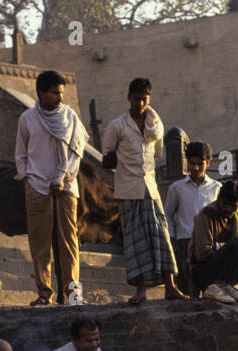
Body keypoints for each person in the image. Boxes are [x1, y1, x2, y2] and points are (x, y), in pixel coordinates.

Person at [100, 78, 185, 304]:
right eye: (136, 98)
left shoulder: (155, 126)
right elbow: (106, 161)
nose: (140, 103)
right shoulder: (117, 126)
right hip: (127, 191)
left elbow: (156, 155)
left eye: (144, 99)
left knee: (161, 236)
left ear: (149, 98)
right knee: (135, 242)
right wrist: (121, 157)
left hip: (150, 189)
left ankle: (170, 286)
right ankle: (140, 291)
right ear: (129, 98)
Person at [16, 69, 87, 305]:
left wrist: (62, 177)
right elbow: (21, 153)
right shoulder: (27, 119)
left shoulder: (71, 118)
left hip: (66, 188)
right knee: (40, 243)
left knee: (69, 244)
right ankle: (44, 294)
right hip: (37, 186)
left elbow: (77, 152)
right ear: (41, 93)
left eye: (61, 93)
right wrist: (29, 178)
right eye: (55, 93)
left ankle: (73, 295)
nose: (60, 98)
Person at [165, 141, 222, 295]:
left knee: (210, 288)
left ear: (208, 163)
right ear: (187, 163)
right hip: (185, 243)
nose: (195, 168)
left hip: (209, 245)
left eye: (200, 164)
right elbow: (168, 215)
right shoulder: (176, 188)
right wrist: (172, 239)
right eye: (192, 163)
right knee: (188, 288)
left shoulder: (217, 188)